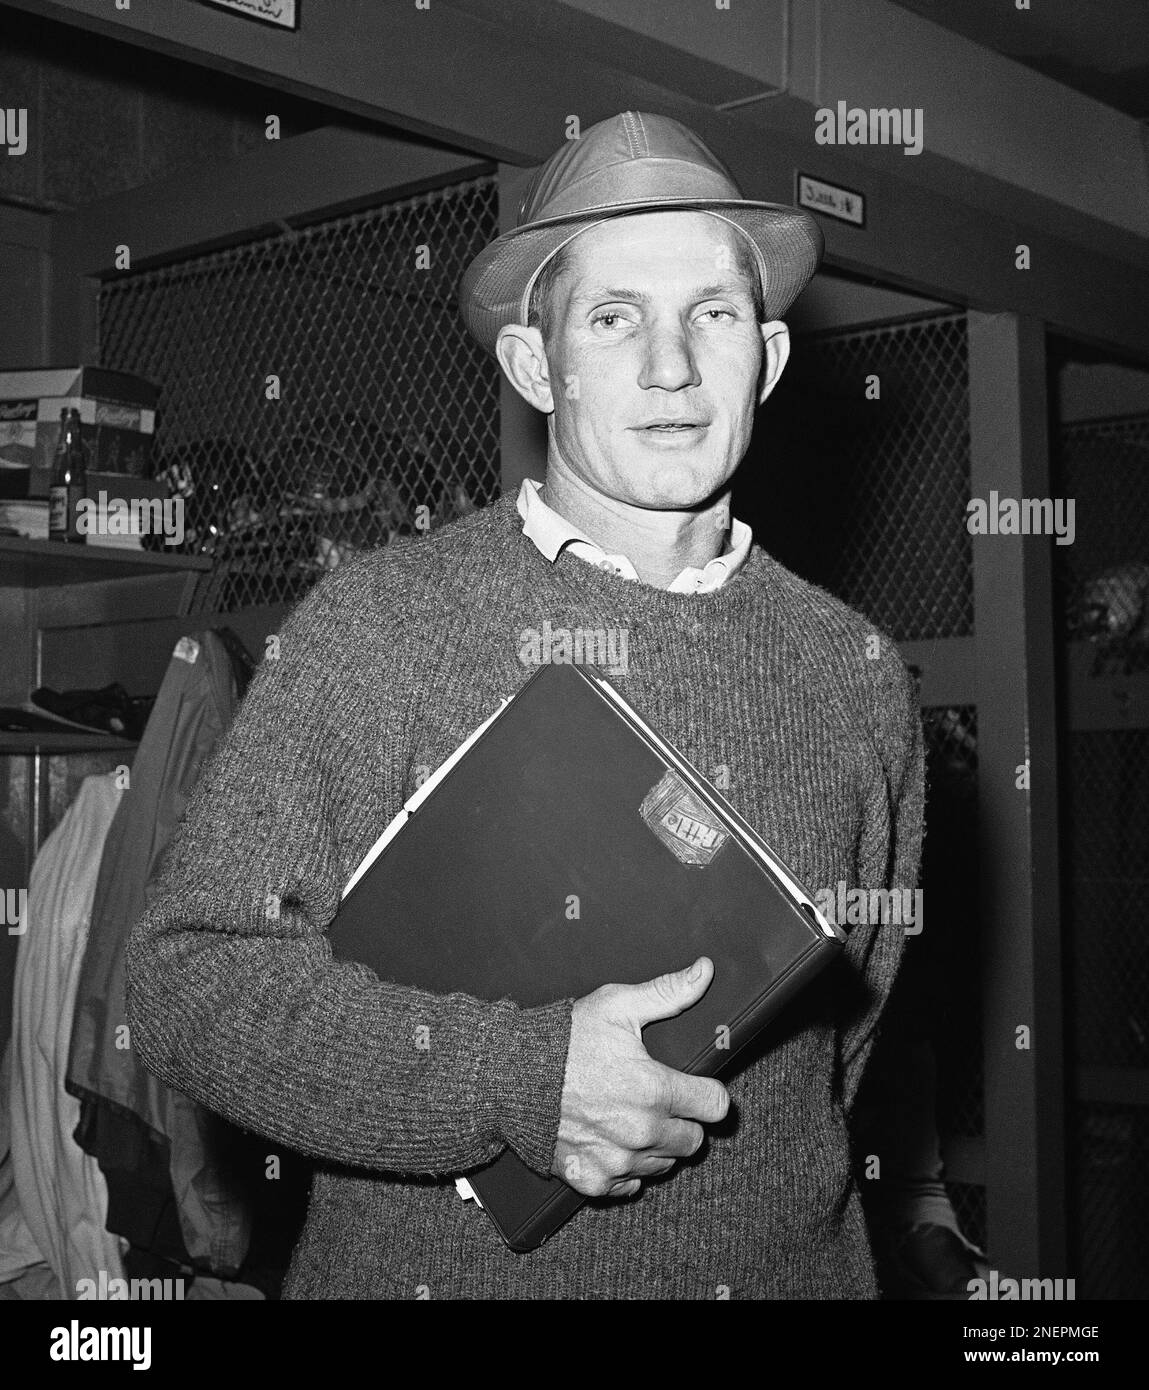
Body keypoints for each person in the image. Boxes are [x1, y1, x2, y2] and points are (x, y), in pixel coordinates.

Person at [127, 110, 924, 1299]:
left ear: (769, 354)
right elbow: (189, 985)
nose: (672, 367)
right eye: (615, 319)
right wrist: (516, 1078)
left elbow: (837, 1051)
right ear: (535, 367)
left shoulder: (854, 669)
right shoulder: (377, 626)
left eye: (710, 315)